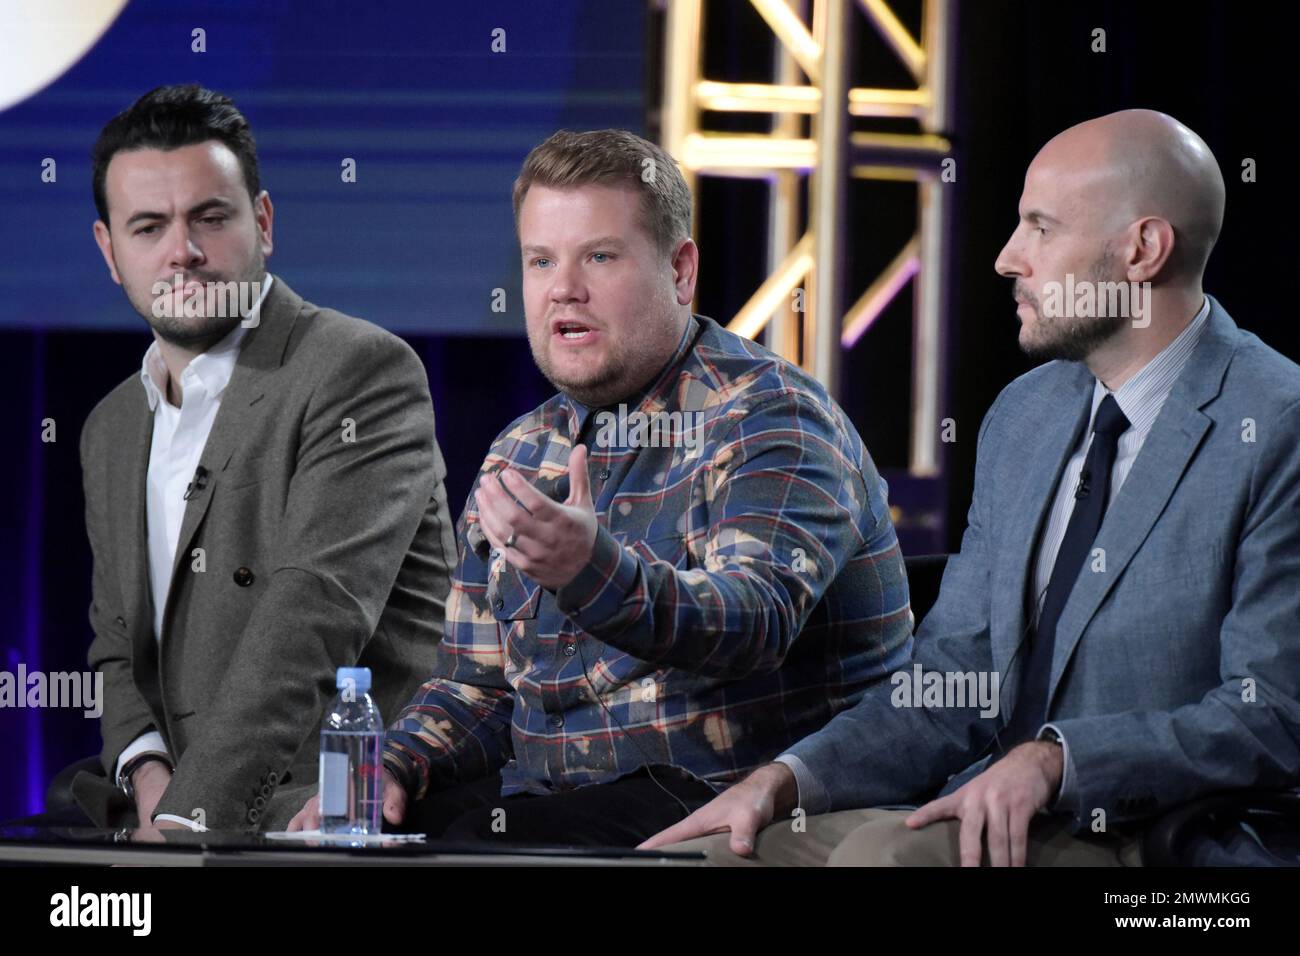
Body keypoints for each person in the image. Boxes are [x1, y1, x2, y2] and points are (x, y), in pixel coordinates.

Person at [642, 109, 1300, 866]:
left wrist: (1059, 762)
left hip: (1161, 836)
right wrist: (789, 779)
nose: (1007, 258)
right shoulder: (1026, 415)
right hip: (985, 806)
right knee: (737, 850)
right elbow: (956, 676)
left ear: (1143, 250)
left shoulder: (1276, 424)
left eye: (1041, 229)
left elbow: (1275, 714)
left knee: (880, 862)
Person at [290, 128, 913, 845]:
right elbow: (479, 689)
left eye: (600, 257)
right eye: (541, 260)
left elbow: (754, 621)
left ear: (681, 272)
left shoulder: (771, 418)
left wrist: (593, 572)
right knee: (354, 846)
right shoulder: (520, 452)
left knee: (471, 853)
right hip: (553, 796)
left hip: (720, 798)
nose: (564, 288)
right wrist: (393, 769)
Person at [67, 84, 457, 833]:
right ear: (109, 252)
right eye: (148, 227)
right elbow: (117, 646)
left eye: (210, 218)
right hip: (173, 816)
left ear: (264, 222)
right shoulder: (109, 426)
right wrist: (149, 780)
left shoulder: (359, 370)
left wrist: (186, 821)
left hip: (323, 814)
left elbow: (309, 620)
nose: (183, 250)